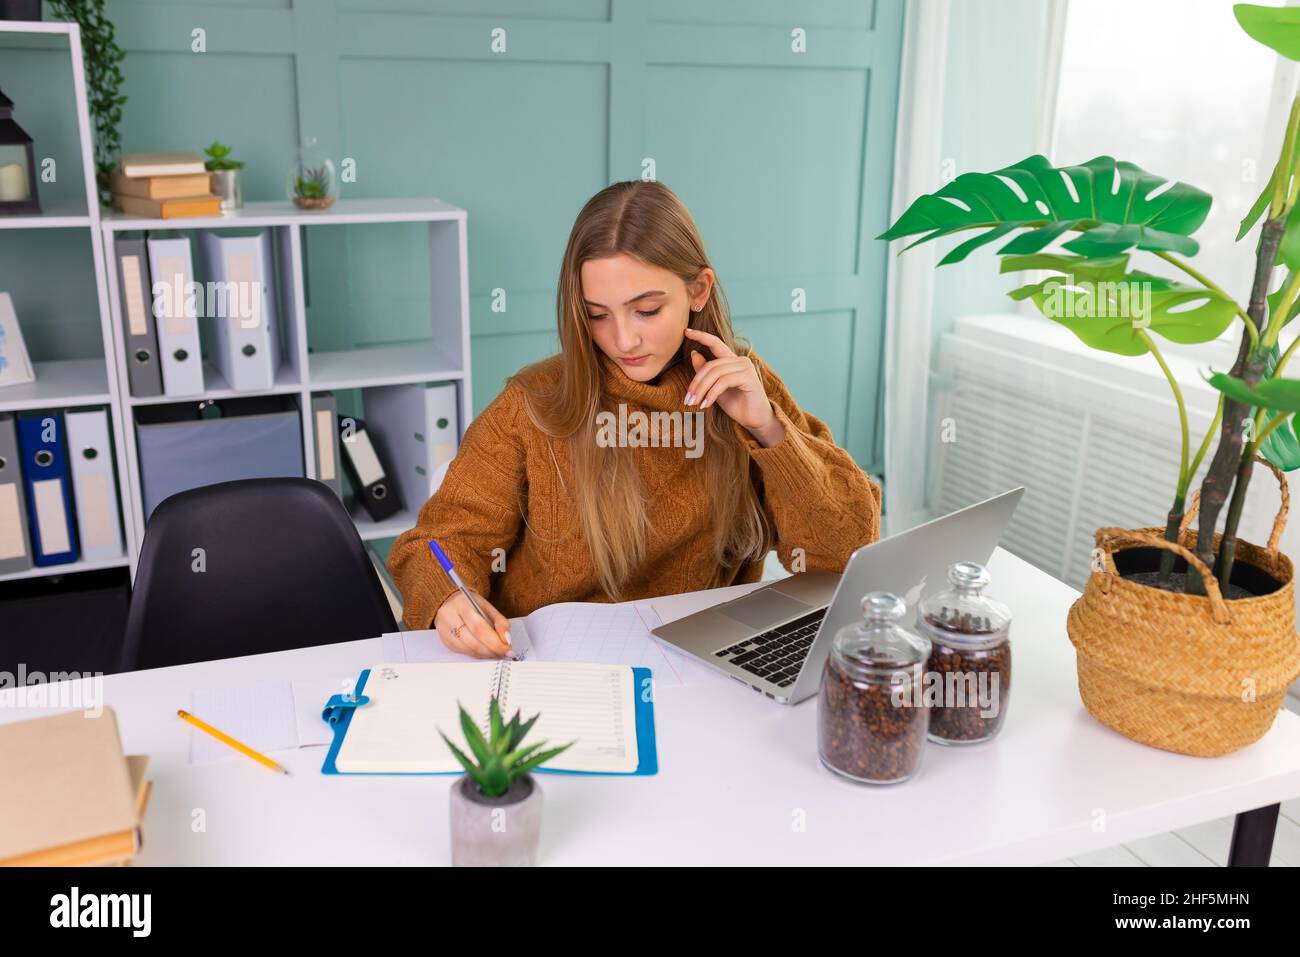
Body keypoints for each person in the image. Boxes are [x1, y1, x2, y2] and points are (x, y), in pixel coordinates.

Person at [387, 180, 882, 657]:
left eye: (646, 309)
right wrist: (453, 601)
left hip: (702, 662)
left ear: (699, 291)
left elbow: (845, 554)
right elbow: (436, 544)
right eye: (597, 315)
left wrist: (769, 429)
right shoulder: (532, 404)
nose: (623, 341)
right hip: (557, 670)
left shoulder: (747, 387)